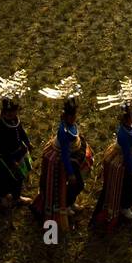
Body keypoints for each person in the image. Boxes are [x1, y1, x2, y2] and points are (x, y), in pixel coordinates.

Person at [91, 93, 132, 230]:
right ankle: (124, 206)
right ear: (123, 118)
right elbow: (127, 155)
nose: (131, 119)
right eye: (128, 116)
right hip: (126, 161)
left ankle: (130, 203)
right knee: (129, 184)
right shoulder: (123, 134)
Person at [34, 94, 90, 233]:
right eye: (71, 116)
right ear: (65, 116)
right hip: (62, 161)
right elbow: (65, 155)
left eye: (74, 115)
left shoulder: (71, 125)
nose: (73, 118)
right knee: (67, 186)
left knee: (78, 185)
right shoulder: (64, 132)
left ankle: (70, 203)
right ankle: (65, 205)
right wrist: (70, 173)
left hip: (72, 156)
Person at [0, 82, 34, 210]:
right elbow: (3, 145)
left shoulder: (16, 120)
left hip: (18, 153)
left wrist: (27, 142)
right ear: (4, 112)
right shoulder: (1, 125)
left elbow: (21, 132)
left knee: (19, 177)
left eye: (13, 111)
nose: (11, 114)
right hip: (3, 157)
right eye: (8, 112)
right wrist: (12, 161)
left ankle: (16, 197)